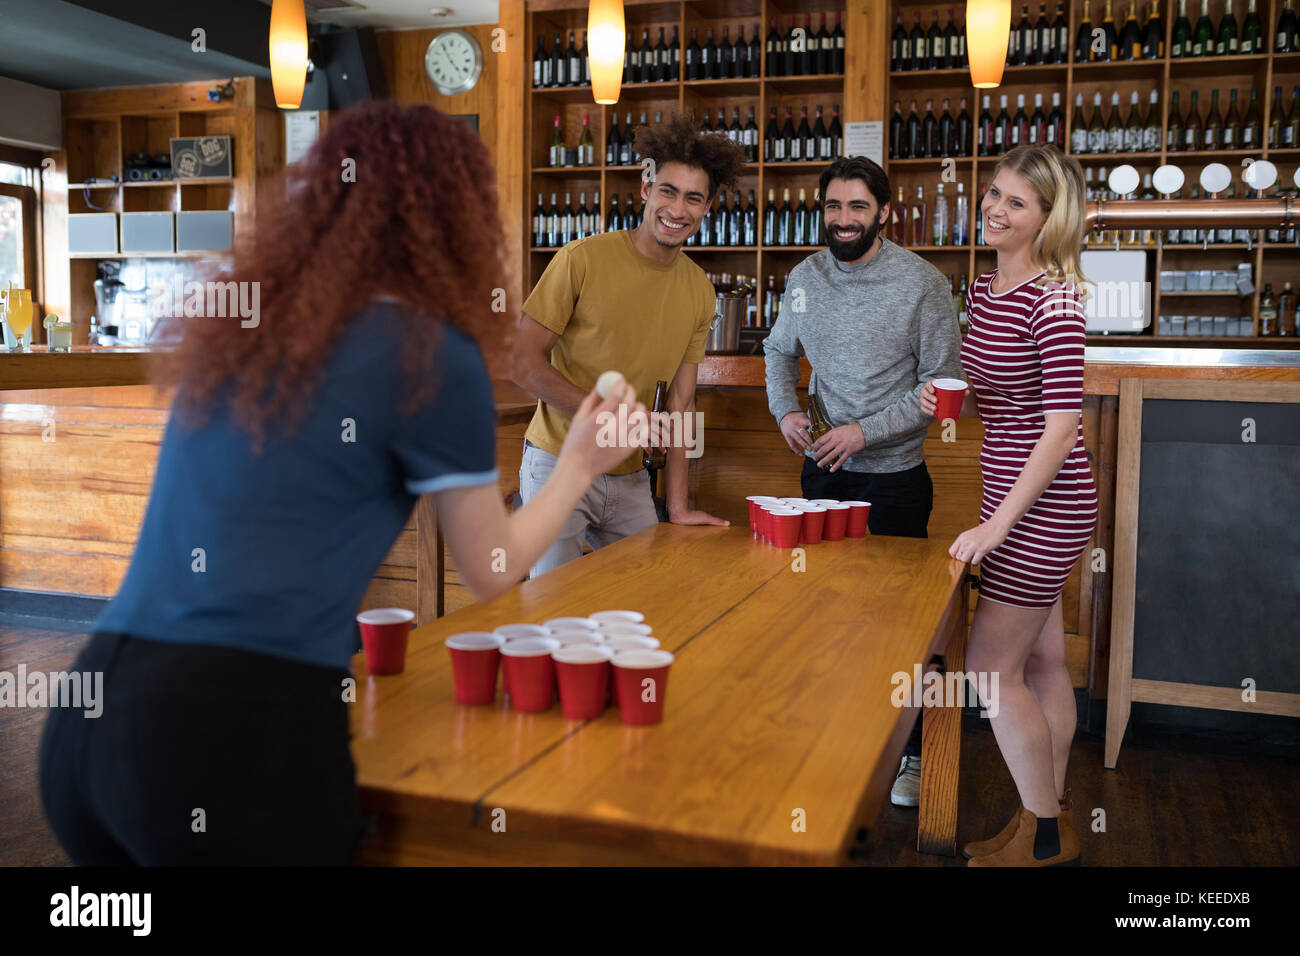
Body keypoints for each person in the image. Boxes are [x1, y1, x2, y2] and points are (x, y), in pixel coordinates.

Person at [38, 102, 648, 866]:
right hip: (235, 725)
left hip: (91, 716)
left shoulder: (255, 331)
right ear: (456, 218)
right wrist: (583, 461)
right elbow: (490, 571)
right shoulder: (430, 352)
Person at [762, 156, 963, 807]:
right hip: (818, 479)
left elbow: (941, 388)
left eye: (856, 207)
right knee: (820, 618)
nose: (843, 220)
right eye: (833, 207)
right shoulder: (803, 278)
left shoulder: (921, 284)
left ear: (883, 212)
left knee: (900, 629)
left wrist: (863, 433)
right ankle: (837, 739)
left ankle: (909, 757)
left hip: (895, 482)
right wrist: (785, 409)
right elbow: (777, 348)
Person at [921, 143, 1097, 867]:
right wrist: (948, 401)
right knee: (1045, 664)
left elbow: (1060, 428)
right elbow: (1007, 401)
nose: (994, 208)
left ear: (1050, 217)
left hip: (1043, 505)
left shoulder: (1054, 299)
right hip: (1014, 493)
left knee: (992, 670)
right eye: (993, 193)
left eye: (1015, 202)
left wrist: (997, 523)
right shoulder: (989, 287)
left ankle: (1043, 837)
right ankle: (1044, 825)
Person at [511, 114, 744, 578]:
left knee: (652, 599)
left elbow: (682, 401)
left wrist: (677, 505)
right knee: (549, 611)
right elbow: (522, 363)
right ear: (645, 188)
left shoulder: (699, 289)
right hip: (560, 465)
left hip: (632, 477)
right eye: (668, 191)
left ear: (709, 206)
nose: (678, 209)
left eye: (693, 198)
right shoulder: (580, 260)